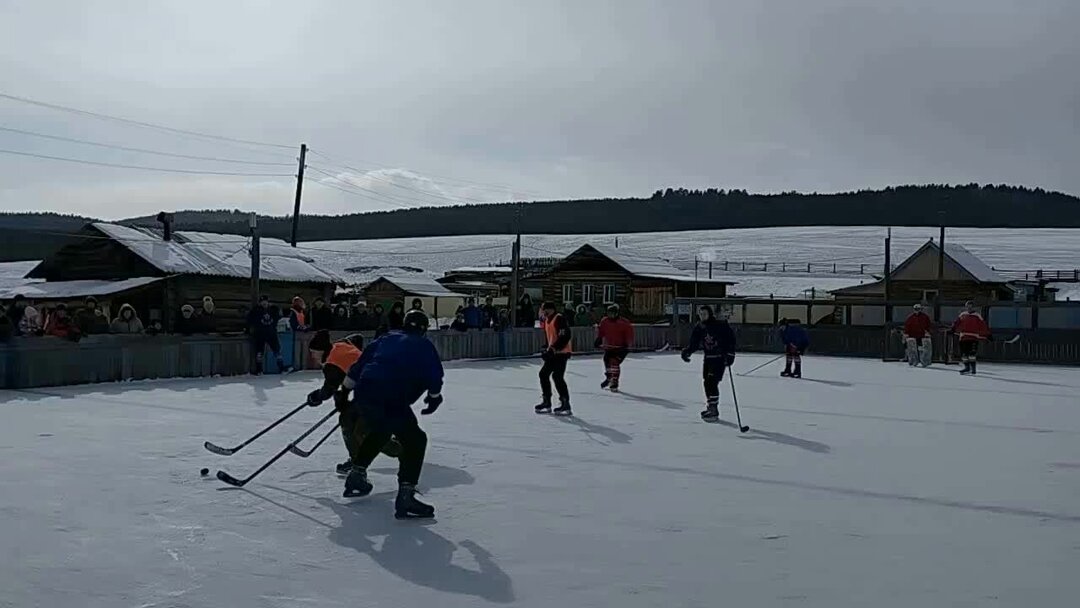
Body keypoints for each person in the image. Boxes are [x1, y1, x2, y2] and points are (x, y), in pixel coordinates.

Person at [340, 310, 444, 520]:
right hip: (392, 395)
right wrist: (434, 397)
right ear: (424, 330)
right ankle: (406, 496)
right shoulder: (424, 345)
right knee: (416, 440)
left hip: (365, 391)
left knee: (382, 429)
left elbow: (358, 367)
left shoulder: (385, 339)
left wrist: (344, 392)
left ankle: (356, 476)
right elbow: (434, 374)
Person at [306, 330, 402, 475]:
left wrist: (315, 397)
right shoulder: (340, 344)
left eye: (314, 352)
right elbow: (358, 338)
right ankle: (356, 460)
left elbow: (327, 390)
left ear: (321, 351)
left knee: (363, 431)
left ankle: (403, 450)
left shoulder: (332, 364)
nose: (312, 356)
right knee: (347, 419)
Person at [681, 305, 737, 420]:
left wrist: (730, 355)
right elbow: (694, 342)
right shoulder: (700, 326)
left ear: (710, 314)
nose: (702, 316)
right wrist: (688, 351)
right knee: (707, 382)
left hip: (719, 358)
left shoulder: (720, 325)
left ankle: (714, 410)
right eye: (700, 314)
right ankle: (710, 406)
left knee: (712, 381)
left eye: (705, 314)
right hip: (708, 358)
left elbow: (730, 339)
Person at [535, 301, 573, 415]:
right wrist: (546, 348)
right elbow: (550, 337)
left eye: (545, 310)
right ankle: (547, 400)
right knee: (543, 374)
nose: (543, 312)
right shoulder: (547, 321)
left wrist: (553, 349)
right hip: (554, 353)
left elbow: (565, 336)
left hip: (562, 353)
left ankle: (565, 403)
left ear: (551, 309)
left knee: (557, 376)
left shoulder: (559, 318)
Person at [594, 303, 634, 392]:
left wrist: (628, 345)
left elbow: (629, 335)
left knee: (614, 362)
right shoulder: (605, 321)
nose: (610, 315)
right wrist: (599, 339)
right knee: (606, 360)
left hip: (621, 347)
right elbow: (601, 331)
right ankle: (609, 377)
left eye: (612, 313)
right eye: (609, 313)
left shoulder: (624, 323)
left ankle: (614, 381)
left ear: (617, 313)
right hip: (610, 346)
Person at [247, 295, 289, 375]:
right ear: (260, 303)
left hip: (271, 333)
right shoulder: (256, 310)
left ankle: (281, 368)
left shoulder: (273, 310)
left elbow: (278, 317)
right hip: (260, 334)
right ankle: (259, 370)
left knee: (277, 350)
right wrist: (250, 329)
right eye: (262, 301)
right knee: (259, 352)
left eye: (265, 301)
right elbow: (249, 320)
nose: (264, 303)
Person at [951, 301, 991, 375]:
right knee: (964, 354)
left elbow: (983, 325)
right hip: (963, 337)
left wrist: (987, 334)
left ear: (973, 307)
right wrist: (953, 329)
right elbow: (956, 323)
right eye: (968, 306)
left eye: (971, 306)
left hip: (973, 337)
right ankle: (967, 367)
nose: (969, 308)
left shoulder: (977, 316)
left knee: (972, 354)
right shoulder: (962, 315)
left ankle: (973, 368)